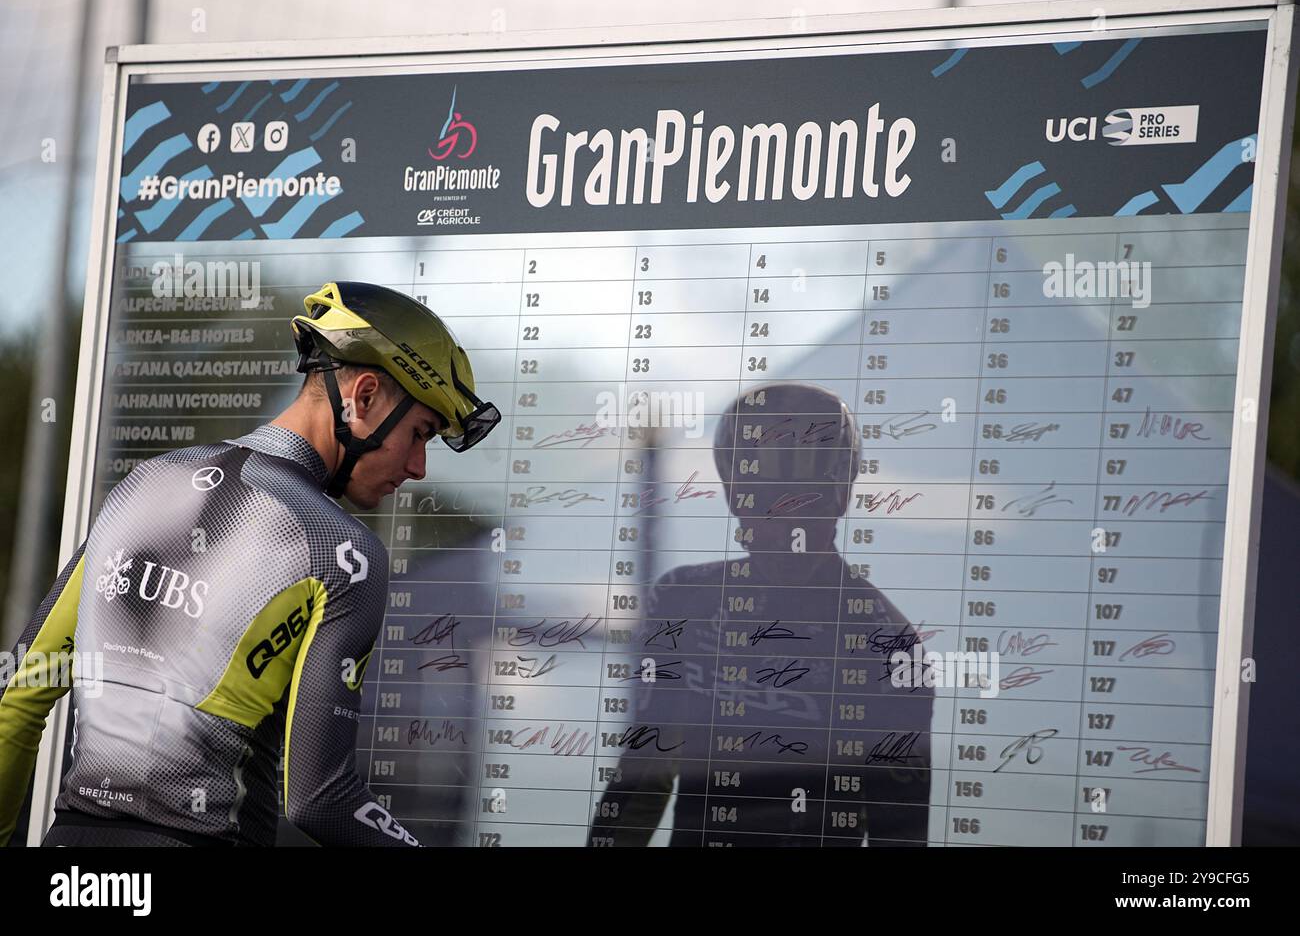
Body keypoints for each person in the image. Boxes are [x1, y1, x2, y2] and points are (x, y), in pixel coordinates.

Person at [0, 281, 499, 847]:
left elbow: (19, 693)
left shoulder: (142, 483)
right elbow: (320, 796)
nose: (419, 466)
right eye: (420, 434)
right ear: (363, 397)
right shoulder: (343, 553)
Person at [589, 381, 934, 846]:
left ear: (837, 498)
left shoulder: (890, 644)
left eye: (799, 503)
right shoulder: (685, 597)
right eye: (761, 501)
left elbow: (900, 831)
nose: (778, 525)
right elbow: (642, 773)